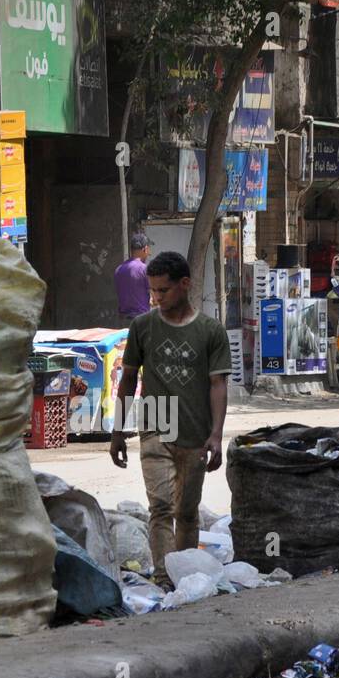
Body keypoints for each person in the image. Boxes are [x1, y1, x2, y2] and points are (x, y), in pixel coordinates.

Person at [110, 251, 232, 588]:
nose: (156, 298)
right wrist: (118, 431)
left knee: (187, 513)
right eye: (152, 291)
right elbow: (129, 379)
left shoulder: (211, 331)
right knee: (161, 507)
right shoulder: (142, 326)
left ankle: (186, 577)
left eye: (162, 291)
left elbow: (218, 384)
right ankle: (164, 579)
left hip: (195, 431)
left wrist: (216, 434)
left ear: (185, 284)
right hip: (154, 421)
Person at [113, 232, 151, 324]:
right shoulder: (144, 269)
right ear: (145, 249)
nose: (150, 253)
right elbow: (154, 297)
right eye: (149, 249)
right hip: (141, 321)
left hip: (123, 321)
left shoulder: (119, 269)